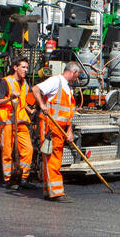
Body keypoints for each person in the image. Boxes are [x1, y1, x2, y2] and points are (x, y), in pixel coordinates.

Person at [33, 62, 79, 202]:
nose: (77, 78)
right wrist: (42, 105)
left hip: (61, 129)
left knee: (55, 159)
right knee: (52, 159)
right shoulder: (55, 81)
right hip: (50, 127)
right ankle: (56, 193)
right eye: (78, 75)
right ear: (73, 72)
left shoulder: (68, 88)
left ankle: (50, 191)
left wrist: (69, 131)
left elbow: (68, 113)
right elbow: (36, 89)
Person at [0, 57, 34, 188]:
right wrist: (10, 98)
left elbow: (22, 103)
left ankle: (22, 178)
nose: (25, 70)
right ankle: (8, 179)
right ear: (15, 68)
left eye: (26, 67)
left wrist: (30, 110)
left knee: (28, 150)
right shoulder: (5, 82)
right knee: (7, 151)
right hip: (8, 122)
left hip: (21, 122)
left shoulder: (25, 84)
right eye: (23, 67)